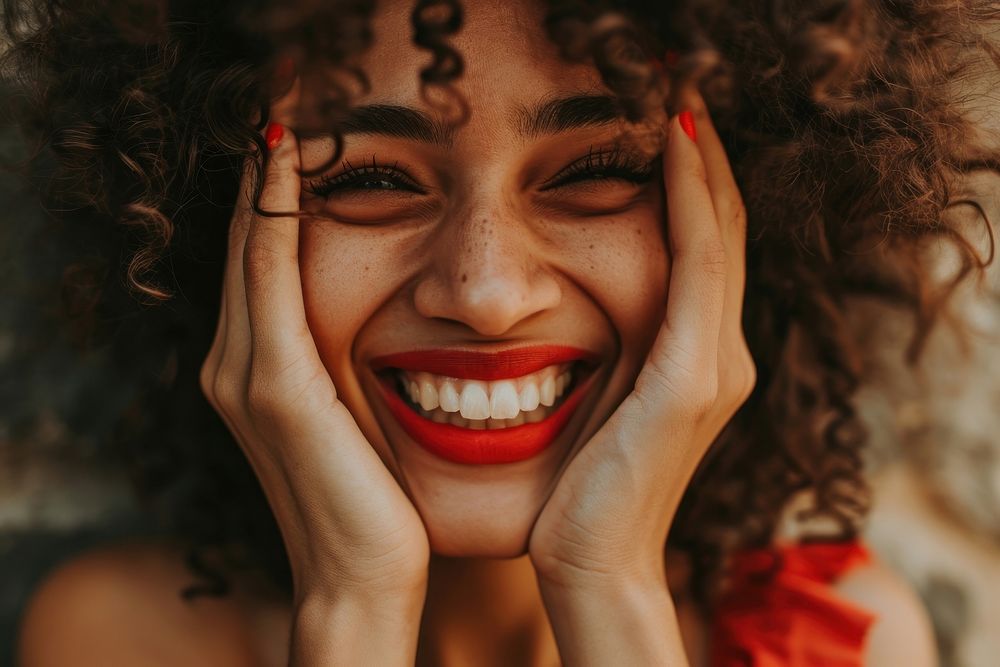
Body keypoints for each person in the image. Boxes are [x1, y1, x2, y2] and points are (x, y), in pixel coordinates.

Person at [4, 0, 986, 664]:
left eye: (596, 169)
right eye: (368, 180)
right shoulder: (118, 639)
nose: (484, 292)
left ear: (736, 221)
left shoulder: (841, 642)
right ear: (219, 223)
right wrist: (350, 611)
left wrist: (612, 600)